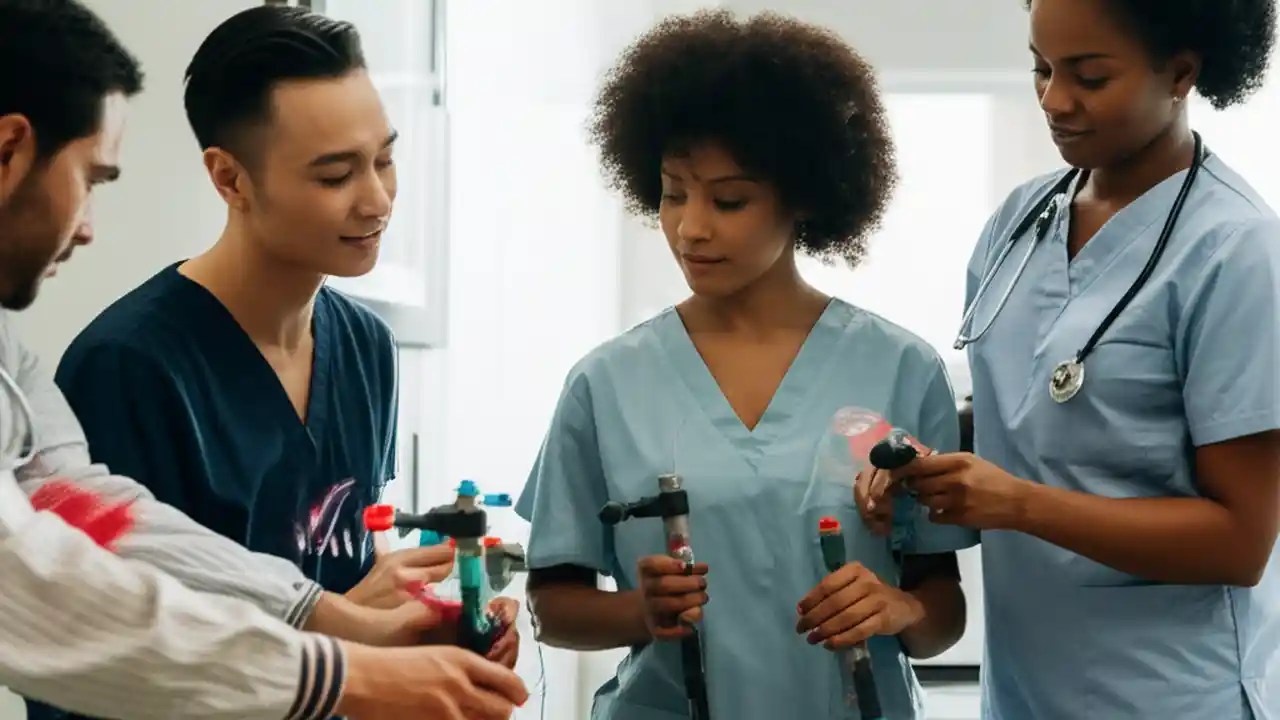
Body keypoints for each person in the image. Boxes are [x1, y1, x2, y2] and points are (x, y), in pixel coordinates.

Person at [0, 1, 527, 719]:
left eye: (385, 159)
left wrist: (366, 625)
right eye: (335, 174)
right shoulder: (129, 365)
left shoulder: (364, 347)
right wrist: (347, 662)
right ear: (230, 180)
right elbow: (62, 597)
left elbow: (74, 504)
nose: (376, 200)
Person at [516, 10, 976, 719]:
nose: (690, 227)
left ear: (804, 197)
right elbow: (551, 606)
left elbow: (942, 616)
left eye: (729, 200)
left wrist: (898, 607)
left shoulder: (900, 369)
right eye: (673, 192)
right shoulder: (605, 384)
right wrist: (641, 611)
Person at [859, 0, 1280, 717]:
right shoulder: (1020, 223)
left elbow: (1240, 542)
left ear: (1180, 72)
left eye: (1088, 76)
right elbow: (1028, 410)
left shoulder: (1236, 252)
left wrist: (1019, 504)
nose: (1054, 99)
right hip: (1028, 687)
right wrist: (918, 459)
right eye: (1040, 68)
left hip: (1171, 694)